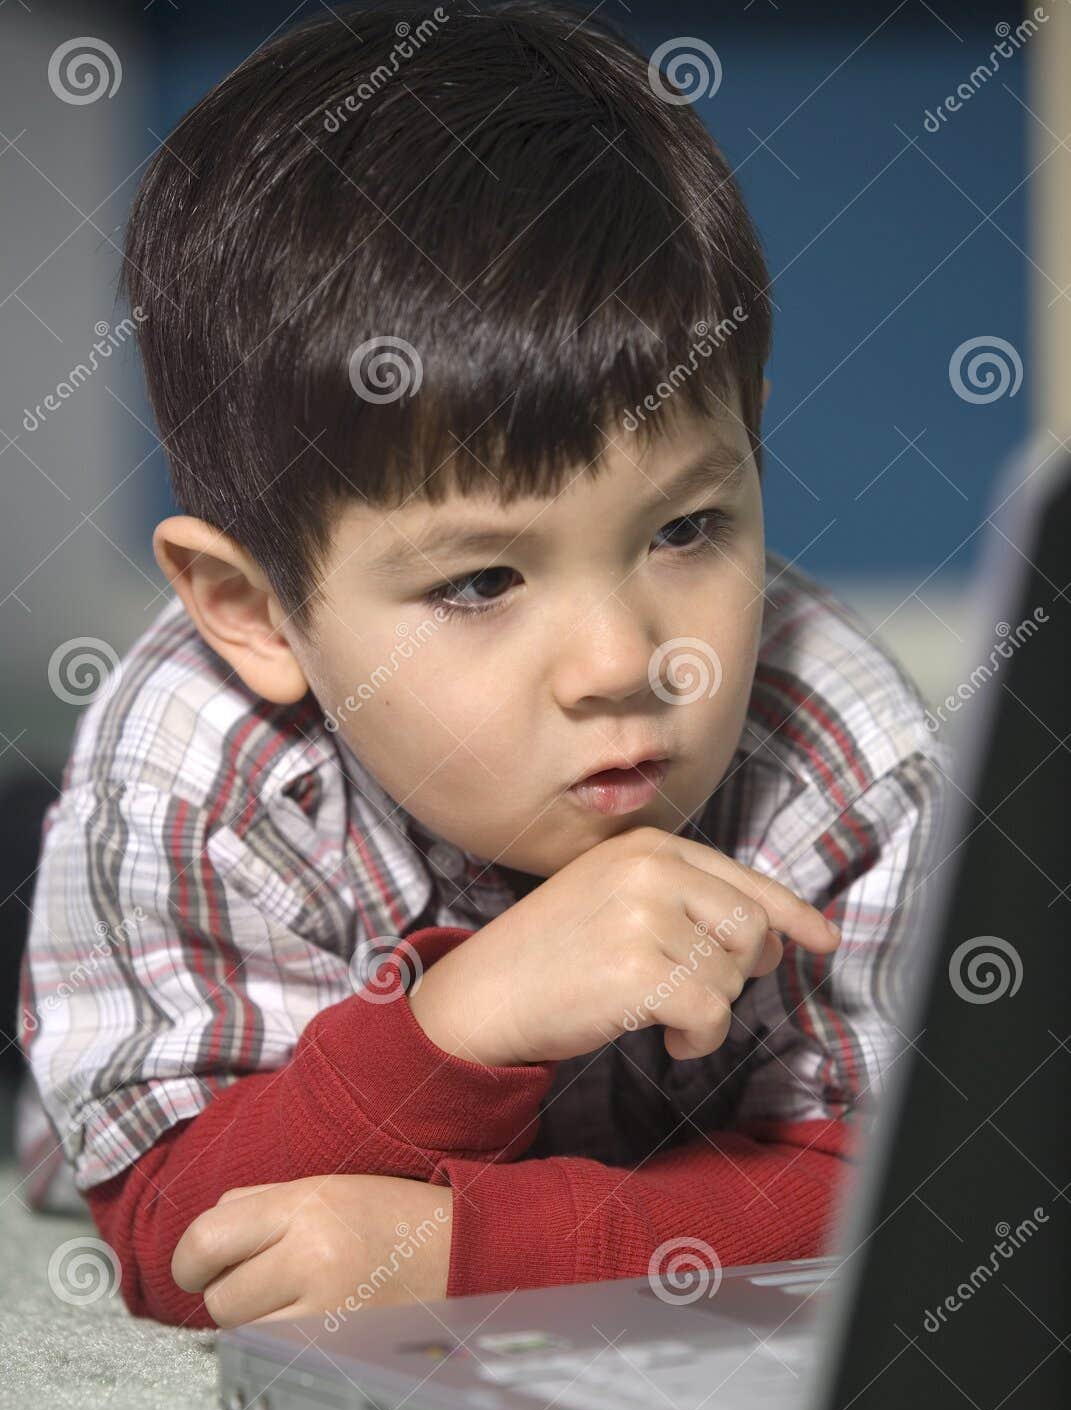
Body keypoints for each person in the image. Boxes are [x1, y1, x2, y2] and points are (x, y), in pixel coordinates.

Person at [16, 2, 949, 1329]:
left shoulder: (840, 746)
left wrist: (479, 1251)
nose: (626, 663)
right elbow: (183, 1237)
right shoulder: (186, 766)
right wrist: (459, 1019)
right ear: (254, 610)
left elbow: (908, 1192)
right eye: (480, 582)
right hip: (215, 1007)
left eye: (685, 527)